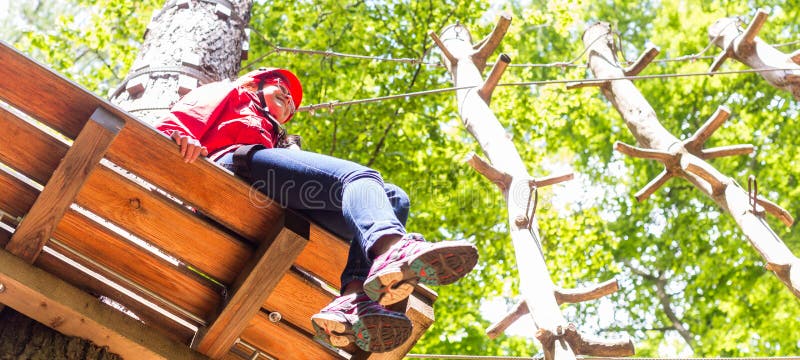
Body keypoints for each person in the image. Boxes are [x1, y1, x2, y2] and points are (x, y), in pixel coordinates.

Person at [156, 67, 478, 353]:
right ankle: (394, 248)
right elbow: (179, 121)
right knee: (360, 177)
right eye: (279, 88)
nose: (287, 99)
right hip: (232, 167)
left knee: (393, 197)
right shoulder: (233, 94)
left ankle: (353, 300)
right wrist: (180, 136)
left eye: (292, 103)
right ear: (256, 85)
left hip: (268, 193)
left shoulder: (278, 139)